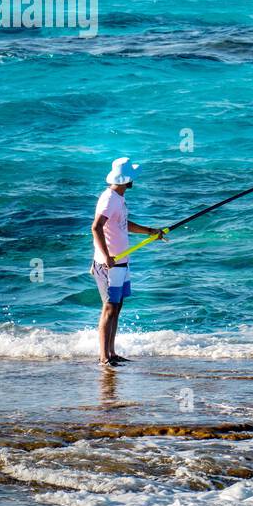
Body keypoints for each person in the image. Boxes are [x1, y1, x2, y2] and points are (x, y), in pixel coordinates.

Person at [90, 157, 164, 366]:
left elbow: (122, 223)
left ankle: (111, 353)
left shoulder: (119, 197)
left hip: (121, 262)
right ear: (127, 179)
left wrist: (150, 232)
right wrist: (105, 257)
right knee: (109, 307)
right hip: (110, 264)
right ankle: (104, 357)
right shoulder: (109, 198)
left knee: (118, 306)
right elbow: (96, 227)